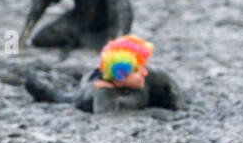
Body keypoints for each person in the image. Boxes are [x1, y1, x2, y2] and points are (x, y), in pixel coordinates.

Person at [23, 34, 183, 114]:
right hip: (81, 98)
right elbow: (107, 117)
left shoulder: (153, 77)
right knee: (57, 97)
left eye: (143, 66)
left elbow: (175, 95)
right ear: (119, 79)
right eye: (136, 71)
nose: (144, 72)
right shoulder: (99, 92)